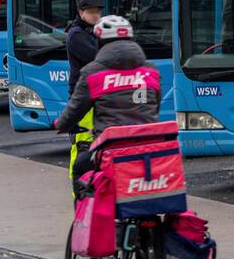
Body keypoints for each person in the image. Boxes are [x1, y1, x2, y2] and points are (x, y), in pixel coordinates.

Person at [55, 15, 161, 184]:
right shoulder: (151, 71)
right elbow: (155, 106)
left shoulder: (92, 73)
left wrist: (60, 124)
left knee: (79, 170)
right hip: (148, 148)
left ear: (99, 42)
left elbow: (75, 110)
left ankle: (86, 208)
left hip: (111, 148)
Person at [63, 0, 102, 176]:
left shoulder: (92, 31)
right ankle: (77, 187)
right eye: (91, 12)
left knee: (96, 144)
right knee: (82, 146)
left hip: (95, 95)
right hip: (82, 97)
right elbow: (97, 58)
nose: (96, 15)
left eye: (98, 11)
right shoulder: (77, 34)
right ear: (81, 13)